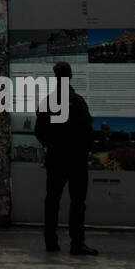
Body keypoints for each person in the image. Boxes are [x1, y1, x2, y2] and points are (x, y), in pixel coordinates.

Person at [35, 61, 97, 255]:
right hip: (76, 159)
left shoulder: (47, 102)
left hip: (56, 157)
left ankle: (50, 241)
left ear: (55, 77)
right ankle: (77, 242)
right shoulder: (78, 102)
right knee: (77, 202)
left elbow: (39, 131)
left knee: (52, 200)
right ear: (70, 76)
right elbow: (87, 131)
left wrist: (51, 145)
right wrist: (84, 149)